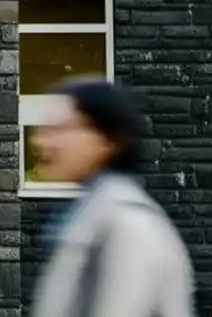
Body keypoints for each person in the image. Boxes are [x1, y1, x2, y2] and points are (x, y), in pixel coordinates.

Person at [30, 80, 193, 317]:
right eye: (44, 129)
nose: (42, 141)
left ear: (106, 140)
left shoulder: (127, 223)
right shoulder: (90, 210)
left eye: (60, 128)